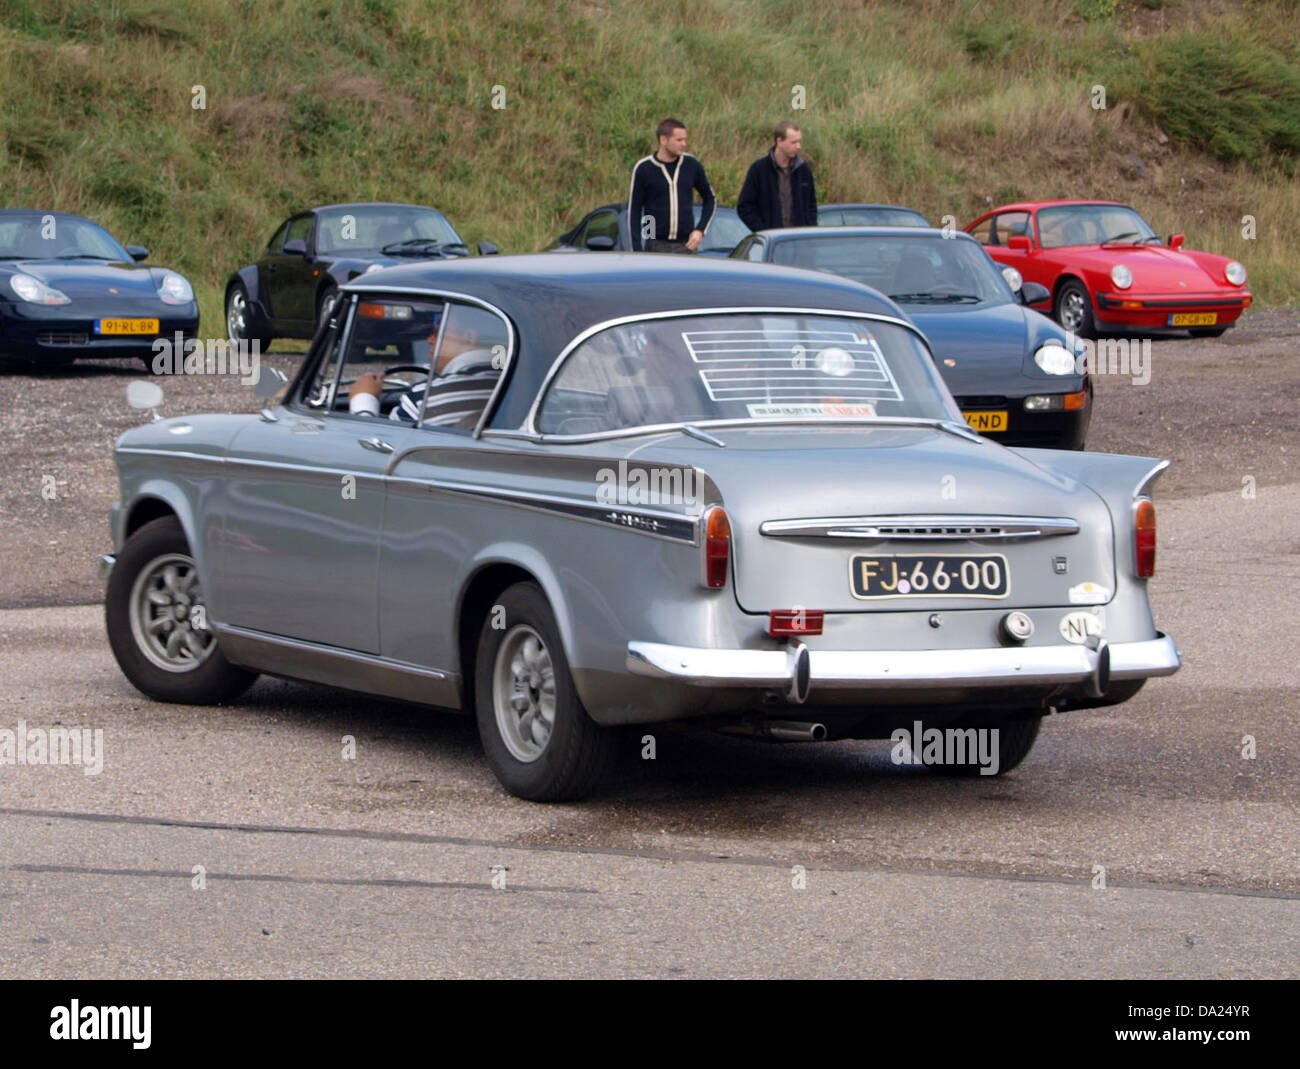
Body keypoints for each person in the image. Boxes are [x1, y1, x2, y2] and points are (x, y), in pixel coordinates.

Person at [349, 311, 501, 428]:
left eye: (438, 331)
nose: (429, 339)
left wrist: (364, 401)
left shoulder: (423, 398)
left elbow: (381, 451)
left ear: (468, 338)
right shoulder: (517, 389)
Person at [627, 118, 716, 253]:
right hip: (655, 244)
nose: (684, 144)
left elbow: (710, 199)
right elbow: (635, 210)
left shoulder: (691, 165)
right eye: (679, 140)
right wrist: (637, 249)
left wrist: (700, 230)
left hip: (686, 244)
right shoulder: (644, 168)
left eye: (685, 140)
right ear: (664, 140)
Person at [737, 121, 818, 232]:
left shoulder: (803, 170)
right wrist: (763, 231)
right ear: (779, 141)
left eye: (799, 141)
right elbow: (744, 207)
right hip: (773, 243)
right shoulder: (758, 170)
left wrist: (810, 228)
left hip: (800, 241)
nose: (799, 146)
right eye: (793, 142)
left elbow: (811, 205)